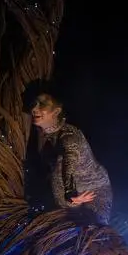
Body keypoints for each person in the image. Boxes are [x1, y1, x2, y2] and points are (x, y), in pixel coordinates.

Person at [29, 90, 113, 224]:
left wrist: (71, 194)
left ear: (56, 111)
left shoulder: (69, 137)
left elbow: (68, 165)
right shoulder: (44, 135)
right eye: (34, 104)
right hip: (68, 197)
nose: (34, 109)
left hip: (94, 191)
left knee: (93, 229)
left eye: (42, 105)